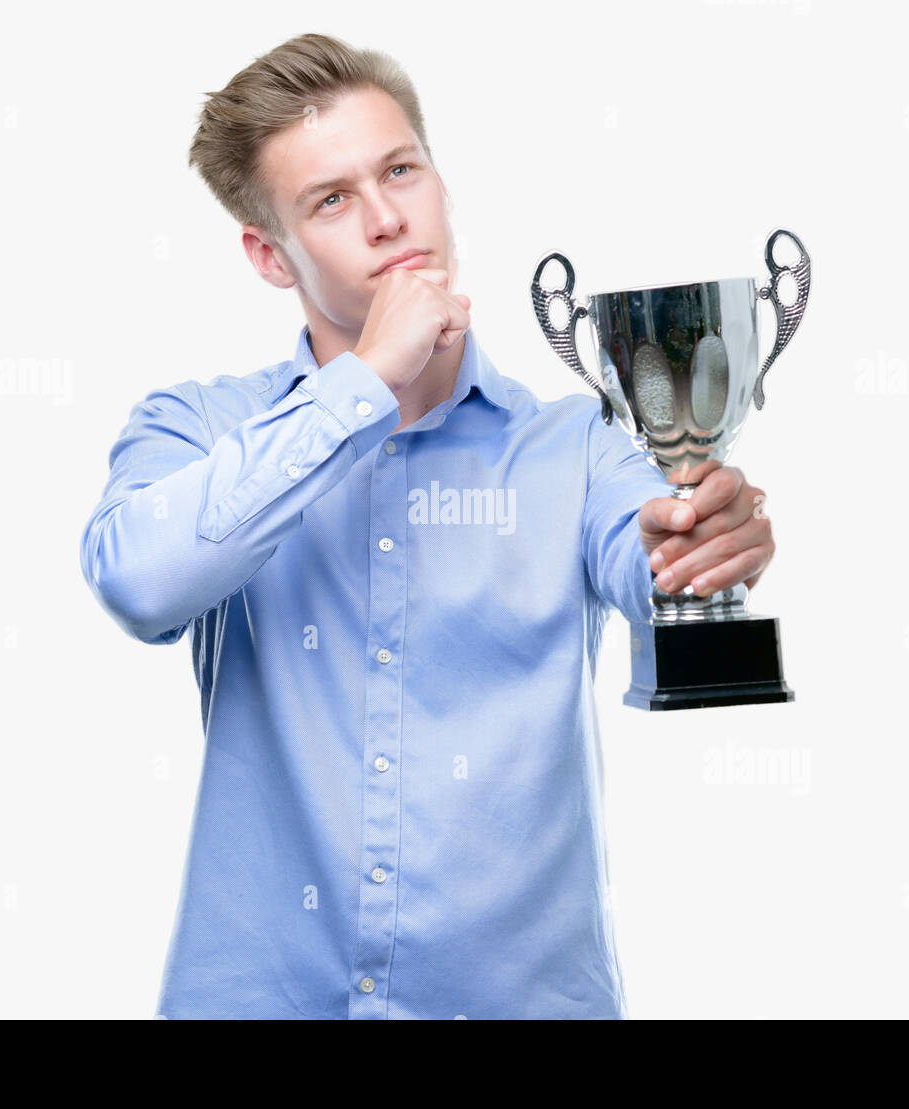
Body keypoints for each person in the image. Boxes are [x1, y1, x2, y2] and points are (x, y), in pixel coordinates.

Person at [78, 32, 776, 1019]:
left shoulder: (575, 443)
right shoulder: (195, 428)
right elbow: (140, 582)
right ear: (269, 256)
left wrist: (704, 542)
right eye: (330, 199)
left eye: (401, 169)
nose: (386, 217)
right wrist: (363, 379)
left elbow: (652, 558)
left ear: (440, 181)